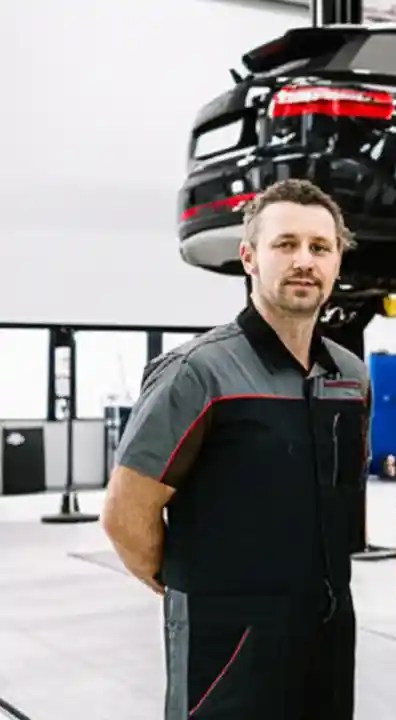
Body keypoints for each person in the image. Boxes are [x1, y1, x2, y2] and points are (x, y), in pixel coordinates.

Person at [101, 178, 370, 719]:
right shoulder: (197, 374)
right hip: (228, 646)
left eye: (320, 247)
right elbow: (126, 513)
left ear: (337, 262)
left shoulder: (350, 376)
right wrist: (201, 590)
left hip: (327, 633)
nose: (304, 260)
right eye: (285, 244)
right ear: (249, 257)